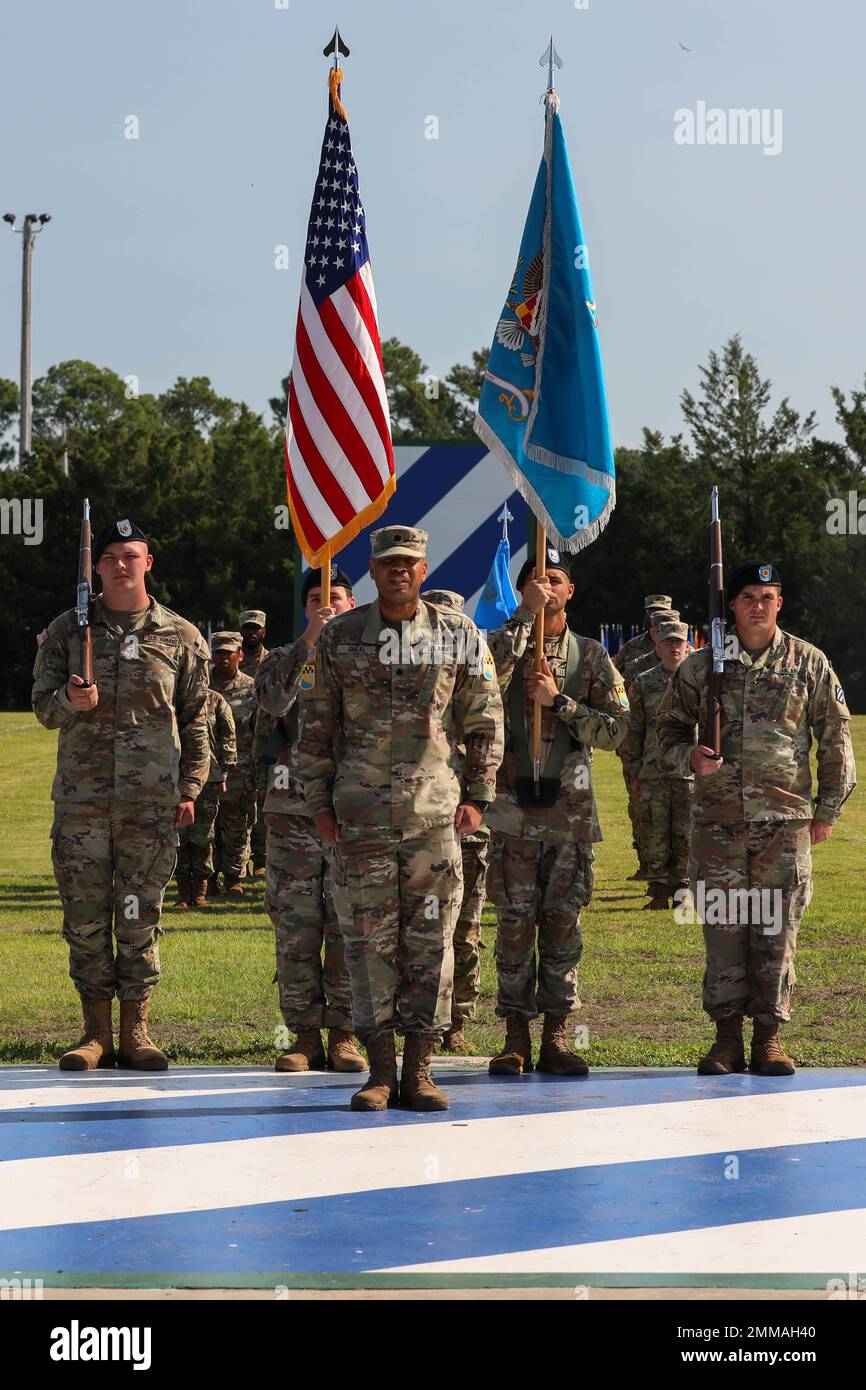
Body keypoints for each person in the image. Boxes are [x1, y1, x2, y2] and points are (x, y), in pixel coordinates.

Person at [298, 526, 504, 1112]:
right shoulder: (340, 637)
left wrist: (479, 795)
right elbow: (316, 728)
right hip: (359, 817)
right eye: (388, 562)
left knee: (431, 942)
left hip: (434, 817)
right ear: (372, 567)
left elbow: (484, 716)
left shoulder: (457, 634)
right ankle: (380, 1072)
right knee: (367, 943)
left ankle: (421, 1071)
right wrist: (317, 802)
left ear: (423, 568)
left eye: (408, 563)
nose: (398, 571)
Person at [657, 562, 856, 1077]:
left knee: (776, 930)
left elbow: (836, 738)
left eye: (767, 596)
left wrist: (828, 810)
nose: (757, 605)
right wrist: (690, 760)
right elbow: (667, 733)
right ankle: (726, 1041)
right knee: (724, 931)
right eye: (747, 596)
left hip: (784, 824)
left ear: (779, 603)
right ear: (732, 604)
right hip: (718, 823)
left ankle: (769, 1037)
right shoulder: (703, 667)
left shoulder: (808, 662)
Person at [32, 518, 210, 1071]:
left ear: (148, 563)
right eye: (110, 557)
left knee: (139, 914)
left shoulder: (179, 636)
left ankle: (136, 1030)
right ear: (96, 567)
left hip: (150, 804)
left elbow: (198, 718)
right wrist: (69, 700)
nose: (121, 565)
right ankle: (95, 1034)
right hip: (82, 803)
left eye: (131, 556)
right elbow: (42, 707)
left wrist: (191, 788)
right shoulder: (67, 631)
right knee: (85, 918)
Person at [485, 548, 630, 1077]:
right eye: (536, 580)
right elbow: (475, 685)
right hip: (512, 811)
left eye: (557, 579)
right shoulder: (502, 646)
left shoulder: (590, 656)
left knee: (563, 923)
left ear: (571, 592)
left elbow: (618, 730)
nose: (547, 587)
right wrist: (524, 618)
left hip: (568, 814)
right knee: (514, 925)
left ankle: (556, 1033)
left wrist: (561, 703)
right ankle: (515, 1035)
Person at [254, 564, 365, 1074]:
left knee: (347, 925)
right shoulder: (283, 659)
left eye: (337, 597)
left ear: (353, 600)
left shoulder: (368, 659)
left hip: (350, 810)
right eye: (318, 598)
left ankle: (344, 1033)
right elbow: (274, 702)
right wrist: (310, 642)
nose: (329, 605)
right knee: (297, 927)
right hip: (292, 815)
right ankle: (303, 1036)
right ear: (305, 607)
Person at [422, 589, 489, 1054]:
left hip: (468, 821)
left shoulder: (475, 672)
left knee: (465, 926)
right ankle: (418, 1022)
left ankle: (457, 1018)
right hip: (424, 818)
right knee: (422, 928)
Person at [625, 620, 694, 910]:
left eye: (679, 642)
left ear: (688, 645)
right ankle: (658, 889)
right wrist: (633, 772)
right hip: (653, 771)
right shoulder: (644, 682)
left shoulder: (699, 679)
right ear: (658, 645)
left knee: (687, 833)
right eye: (668, 642)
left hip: (690, 772)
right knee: (653, 831)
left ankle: (683, 890)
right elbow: (633, 730)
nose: (674, 647)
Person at [612, 595, 677, 881]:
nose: (658, 621)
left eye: (664, 616)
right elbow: (616, 685)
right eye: (653, 616)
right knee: (641, 805)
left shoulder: (684, 655)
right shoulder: (634, 654)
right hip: (639, 743)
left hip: (677, 756)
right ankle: (646, 859)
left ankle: (676, 871)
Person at [175, 687, 236, 909]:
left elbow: (228, 737)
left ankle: (200, 891)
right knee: (179, 838)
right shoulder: (171, 695)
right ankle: (182, 892)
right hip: (175, 777)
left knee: (203, 837)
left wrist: (224, 773)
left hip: (208, 778)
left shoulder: (216, 700)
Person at [209, 632, 257, 897]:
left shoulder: (252, 687)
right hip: (207, 769)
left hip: (242, 769)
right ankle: (209, 876)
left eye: (229, 653)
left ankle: (234, 878)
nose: (223, 658)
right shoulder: (200, 685)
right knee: (209, 826)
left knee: (237, 826)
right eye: (219, 653)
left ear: (240, 655)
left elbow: (259, 728)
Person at [239, 609, 269, 874]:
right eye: (247, 628)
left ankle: (260, 858)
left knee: (262, 804)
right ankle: (238, 861)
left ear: (263, 631)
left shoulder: (272, 661)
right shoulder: (230, 660)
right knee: (237, 807)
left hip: (263, 741)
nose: (251, 632)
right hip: (238, 744)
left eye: (256, 628)